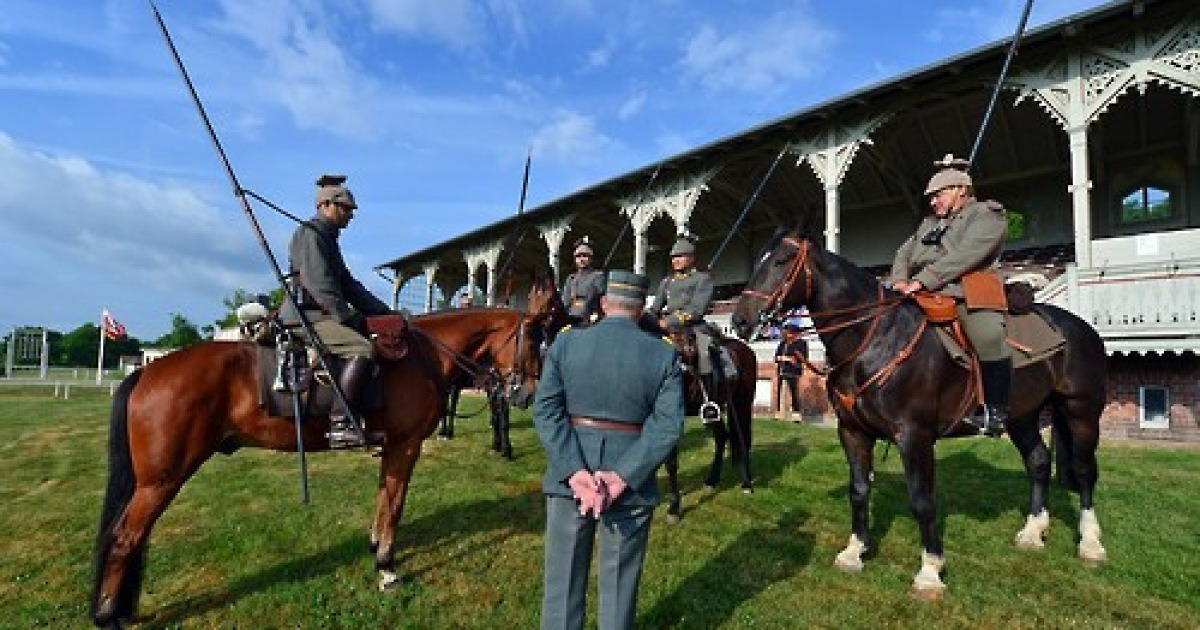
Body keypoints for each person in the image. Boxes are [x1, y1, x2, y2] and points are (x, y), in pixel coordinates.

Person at [533, 270, 685, 630]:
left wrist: (574, 472)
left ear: (602, 303)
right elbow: (667, 426)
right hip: (630, 480)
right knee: (619, 591)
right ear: (641, 306)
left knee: (561, 588)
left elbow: (546, 411)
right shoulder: (663, 354)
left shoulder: (567, 343)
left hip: (569, 477)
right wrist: (620, 479)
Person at [889, 155, 1010, 437]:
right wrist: (898, 280)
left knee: (988, 336)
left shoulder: (987, 214)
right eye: (931, 197)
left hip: (967, 290)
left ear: (961, 190)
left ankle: (996, 412)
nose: (933, 202)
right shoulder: (928, 223)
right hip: (923, 290)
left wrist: (922, 281)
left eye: (938, 195)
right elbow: (903, 253)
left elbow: (966, 255)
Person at [283, 173, 394, 448]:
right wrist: (348, 318)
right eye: (346, 208)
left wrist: (385, 313)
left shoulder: (327, 238)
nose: (351, 215)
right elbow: (320, 286)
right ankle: (341, 425)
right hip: (307, 316)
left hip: (320, 313)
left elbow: (348, 284)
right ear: (326, 205)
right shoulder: (311, 234)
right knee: (362, 349)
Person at [649, 235, 718, 377]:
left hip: (692, 327)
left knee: (704, 356)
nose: (676, 260)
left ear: (691, 258)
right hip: (666, 328)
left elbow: (697, 310)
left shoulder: (702, 279)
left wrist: (668, 321)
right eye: (674, 257)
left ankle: (707, 391)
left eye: (680, 256)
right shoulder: (667, 282)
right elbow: (655, 308)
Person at [561, 237, 606, 327]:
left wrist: (598, 314)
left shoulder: (598, 276)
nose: (581, 259)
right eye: (578, 256)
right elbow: (565, 302)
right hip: (571, 319)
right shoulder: (571, 279)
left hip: (591, 319)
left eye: (585, 256)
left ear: (591, 258)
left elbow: (603, 300)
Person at [774, 321, 808, 421]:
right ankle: (779, 413)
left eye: (788, 332)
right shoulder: (783, 344)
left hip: (793, 371)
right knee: (780, 392)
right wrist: (782, 358)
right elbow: (776, 357)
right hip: (782, 370)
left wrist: (791, 359)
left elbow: (804, 357)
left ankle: (796, 414)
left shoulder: (802, 343)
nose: (787, 335)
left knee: (794, 392)